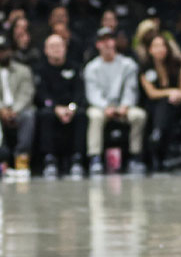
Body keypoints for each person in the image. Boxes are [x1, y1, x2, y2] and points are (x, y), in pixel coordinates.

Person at [83, 27, 146, 175]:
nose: (107, 44)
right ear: (98, 45)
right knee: (95, 116)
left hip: (123, 106)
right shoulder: (91, 67)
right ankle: (95, 158)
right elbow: (93, 94)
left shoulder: (128, 64)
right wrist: (106, 107)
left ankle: (135, 156)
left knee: (139, 116)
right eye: (102, 40)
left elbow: (131, 89)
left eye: (110, 39)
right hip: (101, 107)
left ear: (115, 42)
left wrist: (125, 105)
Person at [35, 34, 87, 178]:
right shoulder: (41, 70)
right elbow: (42, 95)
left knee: (82, 115)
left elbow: (79, 92)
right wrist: (56, 108)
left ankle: (77, 159)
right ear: (45, 50)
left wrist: (71, 108)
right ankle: (49, 159)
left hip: (71, 108)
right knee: (45, 115)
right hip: (52, 108)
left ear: (65, 48)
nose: (56, 49)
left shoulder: (75, 67)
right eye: (52, 46)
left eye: (59, 46)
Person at [139, 34, 181, 171]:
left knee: (170, 105)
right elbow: (151, 93)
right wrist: (170, 92)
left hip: (177, 103)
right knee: (164, 105)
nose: (160, 49)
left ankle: (157, 135)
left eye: (162, 46)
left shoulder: (178, 65)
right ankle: (161, 142)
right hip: (154, 105)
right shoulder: (145, 67)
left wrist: (177, 95)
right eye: (156, 46)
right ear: (150, 50)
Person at [0, 33, 36, 179]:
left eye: (4, 49)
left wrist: (14, 111)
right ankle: (2, 161)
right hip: (1, 110)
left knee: (29, 115)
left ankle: (21, 159)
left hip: (18, 109)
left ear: (11, 51)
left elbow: (26, 94)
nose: (2, 53)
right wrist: (1, 110)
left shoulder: (23, 70)